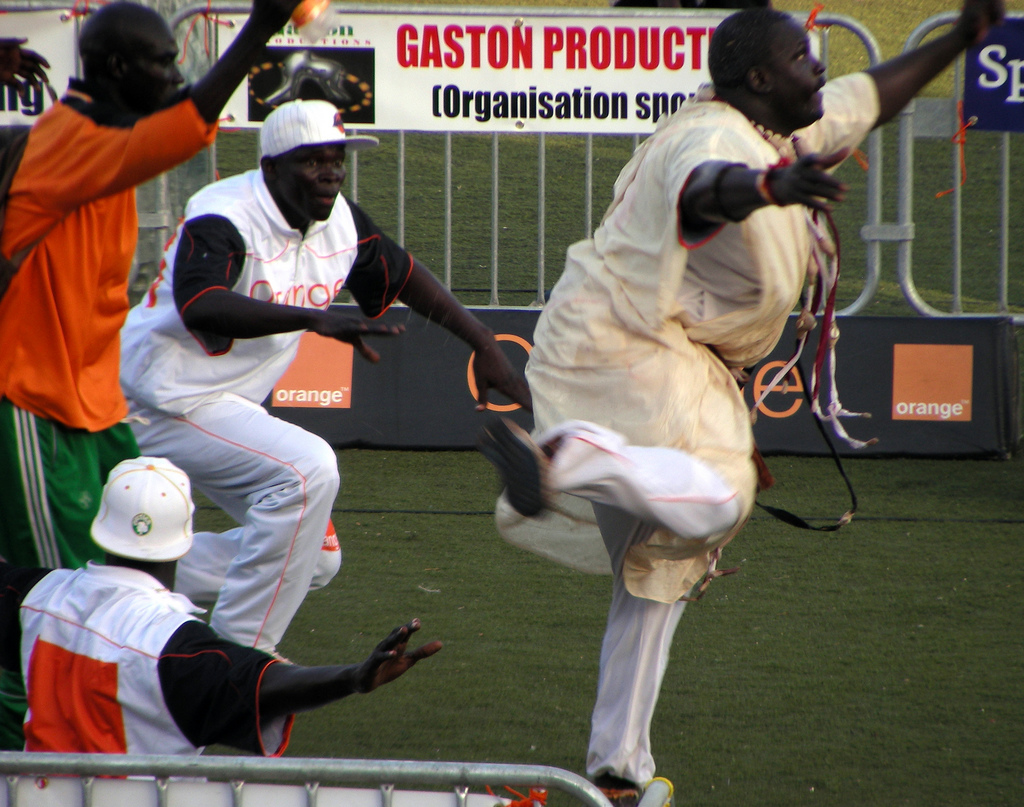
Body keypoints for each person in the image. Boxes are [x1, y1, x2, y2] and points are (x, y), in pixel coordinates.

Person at [479, 2, 1004, 804]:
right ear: (759, 78)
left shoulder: (774, 128)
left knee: (656, 572)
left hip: (615, 346)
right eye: (803, 56)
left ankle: (617, 767)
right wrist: (767, 186)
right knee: (722, 497)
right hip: (637, 356)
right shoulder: (719, 138)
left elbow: (870, 94)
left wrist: (961, 36)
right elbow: (702, 193)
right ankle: (572, 458)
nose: (819, 66)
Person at [0, 0, 316, 749]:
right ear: (113, 72)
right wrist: (261, 26)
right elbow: (190, 123)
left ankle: (137, 707)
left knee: (131, 563)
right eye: (159, 63)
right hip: (32, 405)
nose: (174, 76)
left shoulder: (101, 129)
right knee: (51, 598)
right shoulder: (73, 138)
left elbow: (173, 115)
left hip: (95, 404)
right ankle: (35, 749)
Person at [118, 98, 531, 656]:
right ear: (271, 168)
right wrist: (315, 319)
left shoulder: (339, 220)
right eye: (312, 160)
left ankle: (124, 571)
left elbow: (405, 274)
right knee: (309, 470)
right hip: (155, 400)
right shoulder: (223, 215)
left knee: (314, 557)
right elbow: (201, 304)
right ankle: (235, 663)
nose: (331, 170)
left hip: (220, 404)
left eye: (337, 157)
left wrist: (483, 342)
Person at [0, 456, 441, 755]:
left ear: (101, 525)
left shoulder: (37, 598)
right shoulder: (175, 648)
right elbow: (263, 684)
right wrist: (352, 678)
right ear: (187, 536)